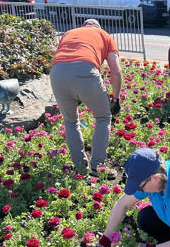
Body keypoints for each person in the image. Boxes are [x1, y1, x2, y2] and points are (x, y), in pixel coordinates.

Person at [49, 19, 122, 178]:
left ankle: (81, 169)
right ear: (98, 27)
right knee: (103, 117)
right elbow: (115, 71)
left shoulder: (69, 33)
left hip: (57, 73)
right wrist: (115, 99)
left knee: (70, 121)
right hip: (86, 70)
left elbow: (66, 59)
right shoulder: (105, 35)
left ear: (84, 26)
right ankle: (98, 167)